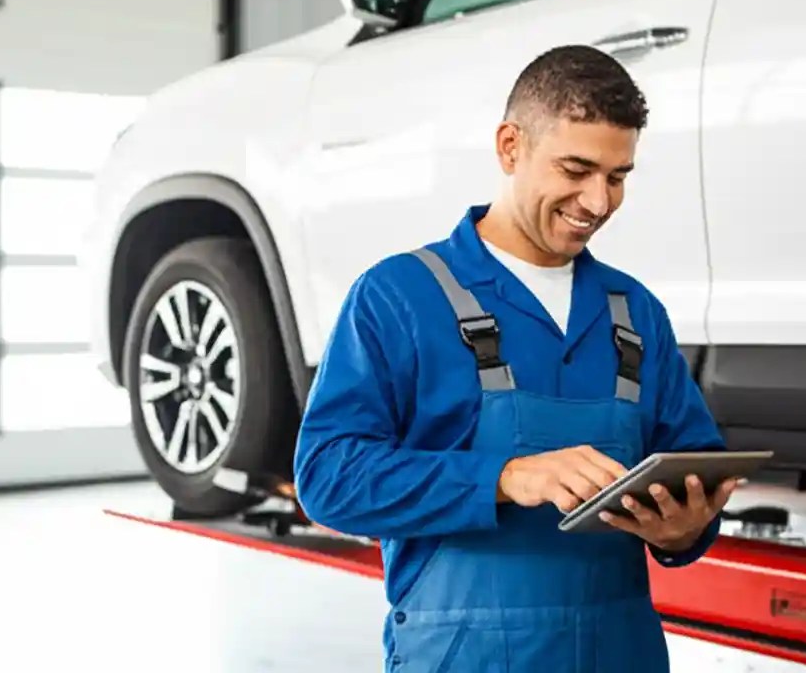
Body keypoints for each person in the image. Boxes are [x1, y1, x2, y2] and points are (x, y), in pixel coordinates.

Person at [292, 44, 740, 672]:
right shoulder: (399, 296)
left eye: (617, 177)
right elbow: (328, 479)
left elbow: (694, 468)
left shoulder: (634, 311)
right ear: (510, 147)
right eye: (576, 169)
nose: (598, 202)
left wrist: (684, 531)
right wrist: (505, 477)